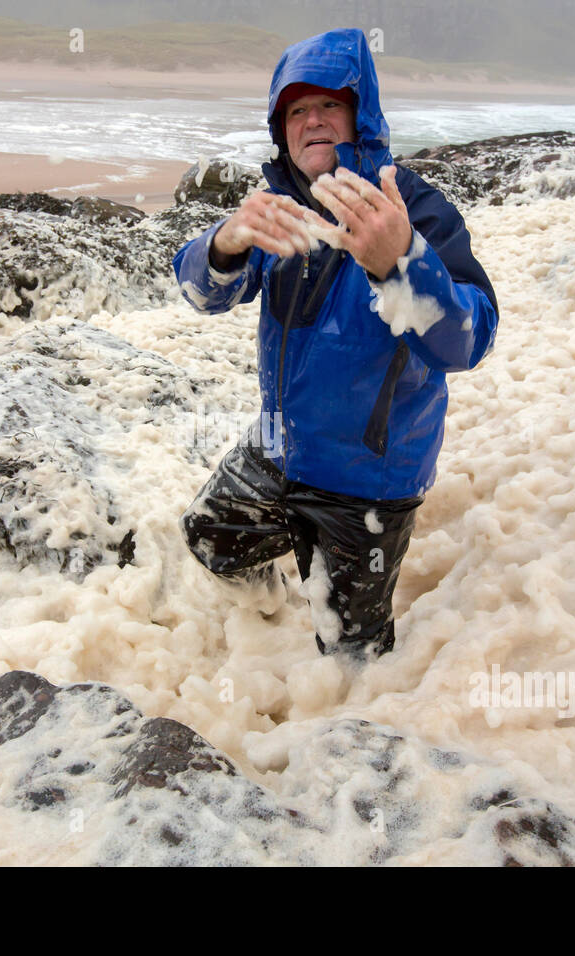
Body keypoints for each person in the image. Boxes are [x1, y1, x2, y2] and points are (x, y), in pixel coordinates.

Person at [172, 28, 499, 659]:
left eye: (329, 105)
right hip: (281, 444)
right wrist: (224, 243)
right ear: (281, 127)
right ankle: (270, 616)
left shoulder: (413, 210)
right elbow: (203, 295)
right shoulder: (280, 209)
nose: (313, 120)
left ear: (359, 116)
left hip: (366, 478)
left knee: (352, 661)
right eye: (297, 109)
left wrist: (400, 263)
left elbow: (467, 341)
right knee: (210, 536)